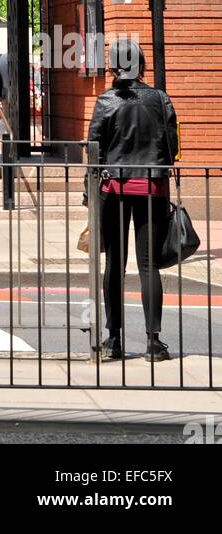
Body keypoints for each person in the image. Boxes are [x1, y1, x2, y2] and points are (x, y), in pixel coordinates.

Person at [85, 38, 179, 362]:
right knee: (149, 265)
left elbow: (93, 150)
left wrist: (89, 193)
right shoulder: (159, 98)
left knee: (114, 263)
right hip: (152, 189)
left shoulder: (105, 101)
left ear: (113, 66)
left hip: (113, 190)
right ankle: (154, 342)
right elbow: (172, 146)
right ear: (141, 65)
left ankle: (113, 339)